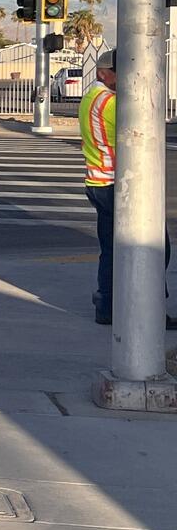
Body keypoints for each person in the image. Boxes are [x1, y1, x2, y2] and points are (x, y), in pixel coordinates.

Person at [79, 49, 171, 326]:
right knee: (155, 246)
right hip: (117, 184)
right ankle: (150, 309)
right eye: (122, 72)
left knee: (111, 248)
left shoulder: (91, 98)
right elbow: (143, 129)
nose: (127, 77)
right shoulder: (110, 103)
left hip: (99, 181)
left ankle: (106, 305)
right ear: (103, 73)